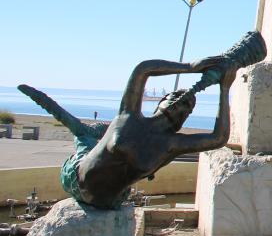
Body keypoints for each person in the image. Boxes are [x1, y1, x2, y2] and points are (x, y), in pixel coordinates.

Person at [18, 55, 243, 209]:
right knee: (84, 135)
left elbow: (218, 138)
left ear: (184, 118)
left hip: (108, 202)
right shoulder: (129, 114)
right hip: (76, 178)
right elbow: (143, 69)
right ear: (160, 102)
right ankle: (84, 138)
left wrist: (225, 89)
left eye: (187, 107)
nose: (181, 103)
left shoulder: (172, 144)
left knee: (87, 135)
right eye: (175, 98)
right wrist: (190, 67)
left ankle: (87, 138)